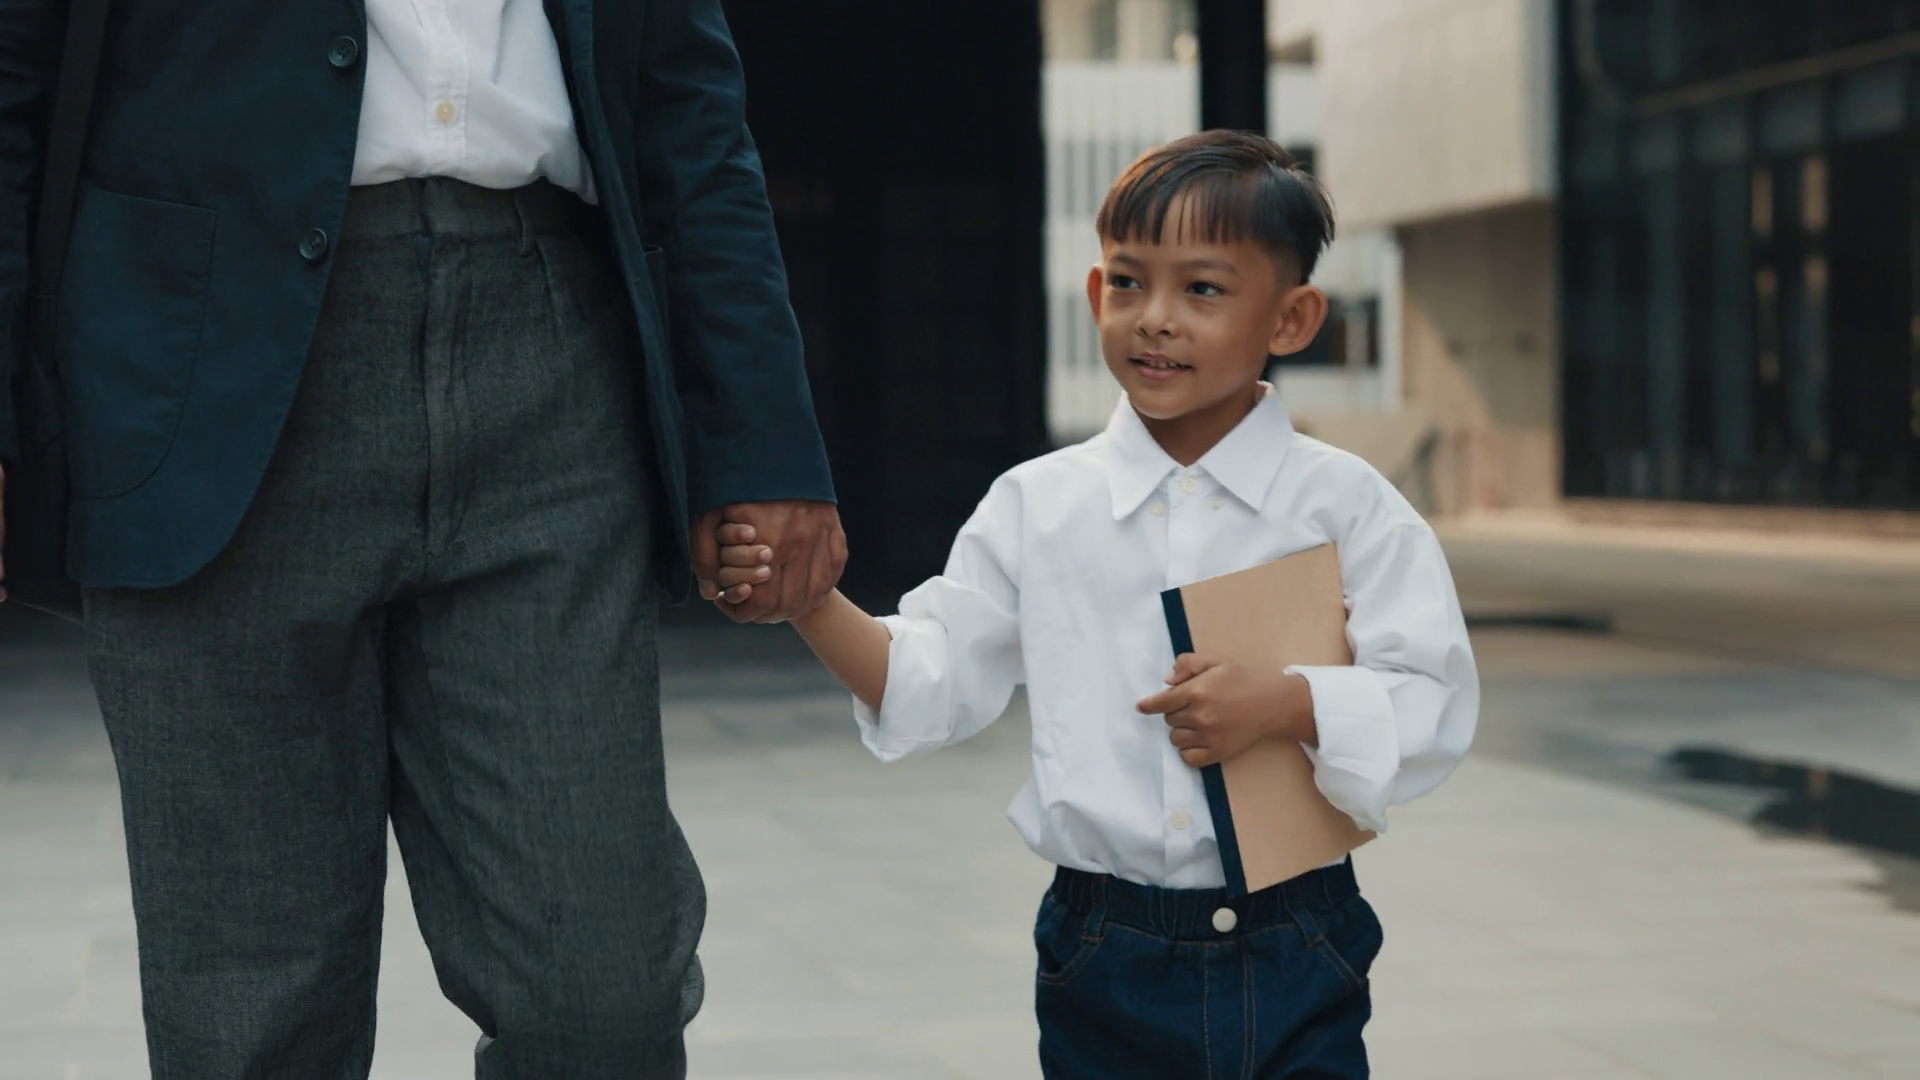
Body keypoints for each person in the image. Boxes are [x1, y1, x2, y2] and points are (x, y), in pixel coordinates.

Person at [0, 2, 844, 1077]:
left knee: (605, 1006)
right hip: (199, 368)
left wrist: (763, 439)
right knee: (250, 1026)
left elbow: (689, 97)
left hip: (549, 351)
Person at [708, 131, 1479, 1078]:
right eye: (1127, 282)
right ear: (1091, 292)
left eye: (1202, 288)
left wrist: (1286, 703)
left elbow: (1433, 698)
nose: (1155, 318)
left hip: (1298, 935)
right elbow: (930, 680)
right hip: (1101, 947)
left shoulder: (1348, 503)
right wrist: (808, 600)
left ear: (1292, 317)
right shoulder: (1040, 505)